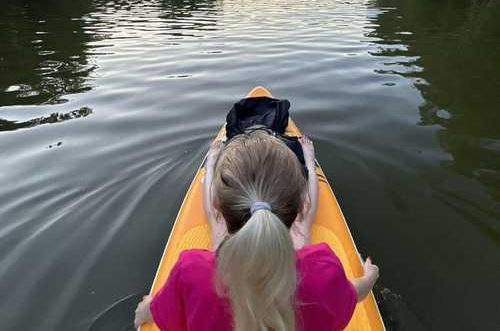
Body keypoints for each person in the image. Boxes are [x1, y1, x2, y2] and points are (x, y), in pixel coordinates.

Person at [134, 132, 379, 331]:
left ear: (216, 205)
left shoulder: (192, 272)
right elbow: (355, 293)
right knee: (301, 235)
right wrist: (370, 276)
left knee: (220, 238)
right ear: (303, 207)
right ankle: (307, 157)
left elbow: (154, 312)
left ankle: (211, 160)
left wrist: (144, 310)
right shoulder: (323, 270)